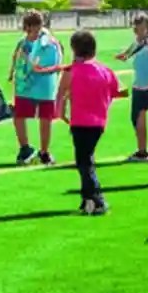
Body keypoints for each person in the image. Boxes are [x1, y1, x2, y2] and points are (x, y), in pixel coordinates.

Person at [56, 30, 129, 215]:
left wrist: (61, 112)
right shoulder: (104, 70)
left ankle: (97, 199)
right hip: (98, 122)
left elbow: (61, 93)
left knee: (84, 162)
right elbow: (119, 91)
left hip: (80, 122)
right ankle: (86, 199)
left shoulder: (70, 71)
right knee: (85, 158)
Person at [7, 10, 63, 165]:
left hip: (44, 86)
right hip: (24, 85)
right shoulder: (23, 42)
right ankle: (25, 148)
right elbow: (16, 56)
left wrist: (38, 68)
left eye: (31, 27)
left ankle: (44, 152)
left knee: (45, 118)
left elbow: (55, 63)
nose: (29, 31)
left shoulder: (49, 43)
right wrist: (12, 73)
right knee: (19, 115)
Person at [115, 12, 148, 162]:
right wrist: (123, 55)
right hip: (139, 86)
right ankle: (142, 151)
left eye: (142, 28)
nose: (138, 31)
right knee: (137, 118)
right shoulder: (137, 42)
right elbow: (128, 53)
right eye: (136, 28)